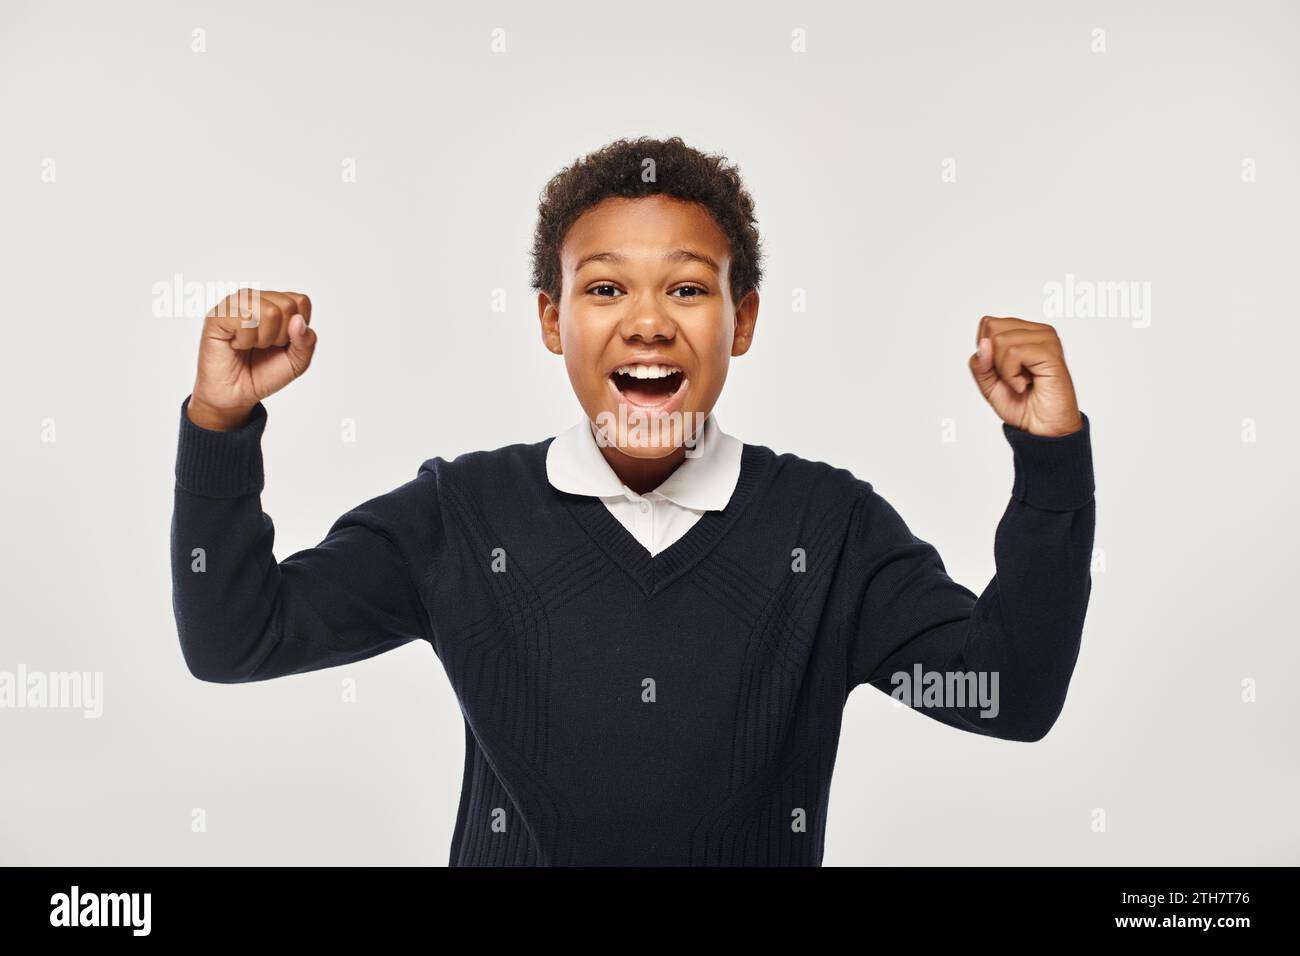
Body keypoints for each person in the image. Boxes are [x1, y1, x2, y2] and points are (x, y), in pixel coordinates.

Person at [170, 135, 1095, 866]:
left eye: (688, 288)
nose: (648, 320)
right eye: (605, 287)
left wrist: (1049, 460)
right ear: (551, 319)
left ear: (743, 321)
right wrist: (220, 422)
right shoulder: (459, 516)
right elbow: (233, 640)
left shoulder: (831, 532)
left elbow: (1008, 695)